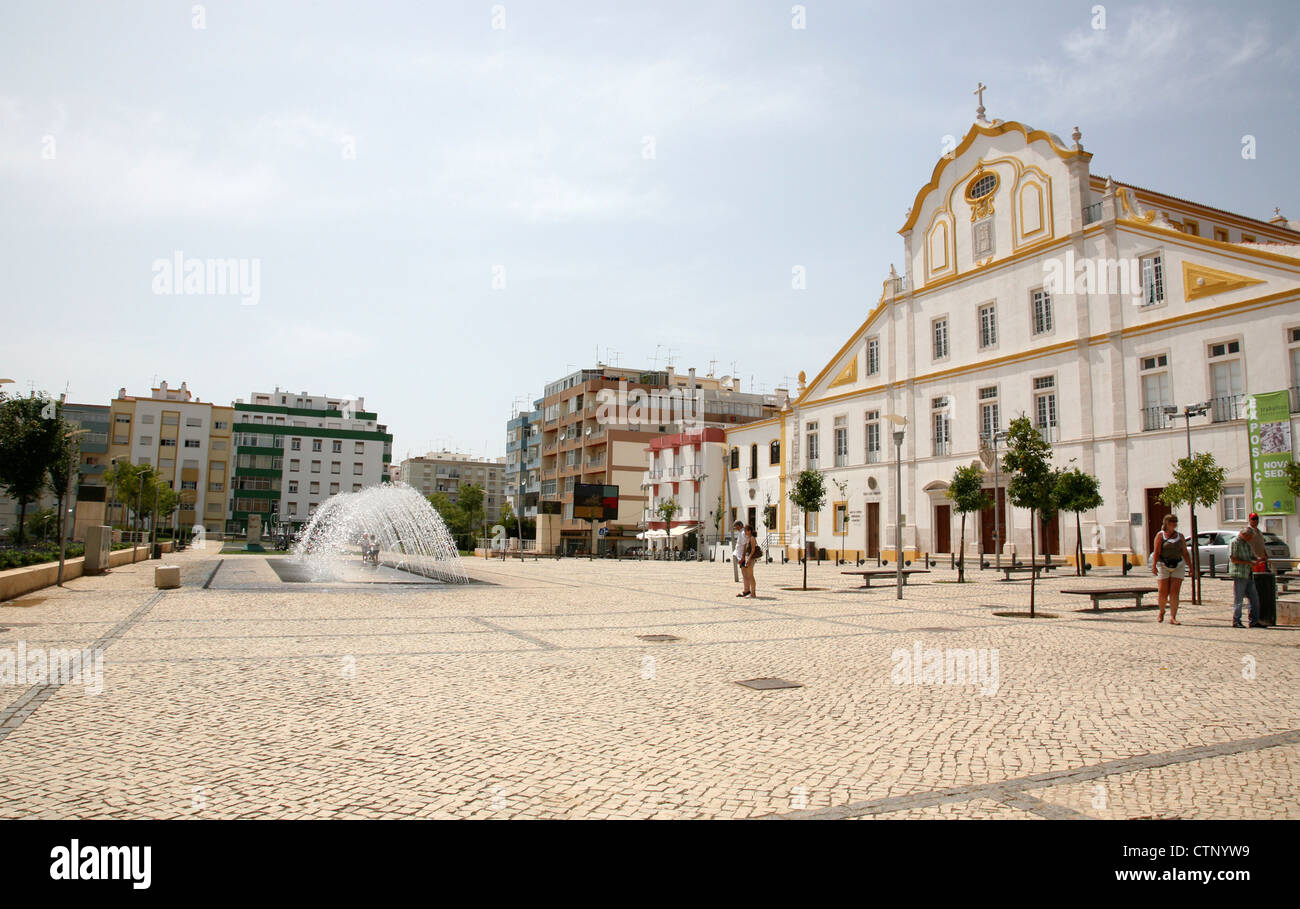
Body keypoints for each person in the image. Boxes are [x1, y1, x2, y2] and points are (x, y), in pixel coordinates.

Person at [1151, 514, 1190, 624]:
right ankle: (1162, 611)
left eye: (1175, 522)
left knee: (1175, 592)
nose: (1174, 524)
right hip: (1163, 565)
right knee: (1163, 592)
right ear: (1166, 523)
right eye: (1172, 522)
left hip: (1178, 565)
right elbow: (1157, 552)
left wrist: (1191, 567)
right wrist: (1154, 566)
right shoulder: (1160, 535)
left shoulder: (1180, 536)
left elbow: (1185, 552)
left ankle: (1173, 616)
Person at [1229, 525, 1269, 628]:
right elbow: (1233, 559)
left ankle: (1254, 621)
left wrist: (1259, 559)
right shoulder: (1235, 542)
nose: (1251, 539)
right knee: (1239, 599)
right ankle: (1236, 620)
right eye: (1250, 537)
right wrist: (1249, 562)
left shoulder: (1247, 544)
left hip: (1248, 573)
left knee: (1254, 598)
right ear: (1244, 535)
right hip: (1240, 573)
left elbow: (1252, 556)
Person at [740, 522, 761, 599]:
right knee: (749, 575)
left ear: (749, 531)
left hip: (751, 559)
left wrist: (748, 558)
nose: (745, 532)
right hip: (748, 558)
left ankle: (753, 593)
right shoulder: (748, 538)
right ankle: (752, 592)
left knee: (750, 575)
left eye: (745, 530)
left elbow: (753, 550)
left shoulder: (752, 538)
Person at [732, 520, 751, 597]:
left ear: (739, 525)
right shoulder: (742, 533)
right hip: (740, 556)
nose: (735, 528)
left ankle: (747, 590)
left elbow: (745, 545)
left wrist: (743, 557)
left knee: (745, 574)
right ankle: (746, 590)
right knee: (744, 574)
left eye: (736, 526)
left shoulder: (743, 533)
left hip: (742, 557)